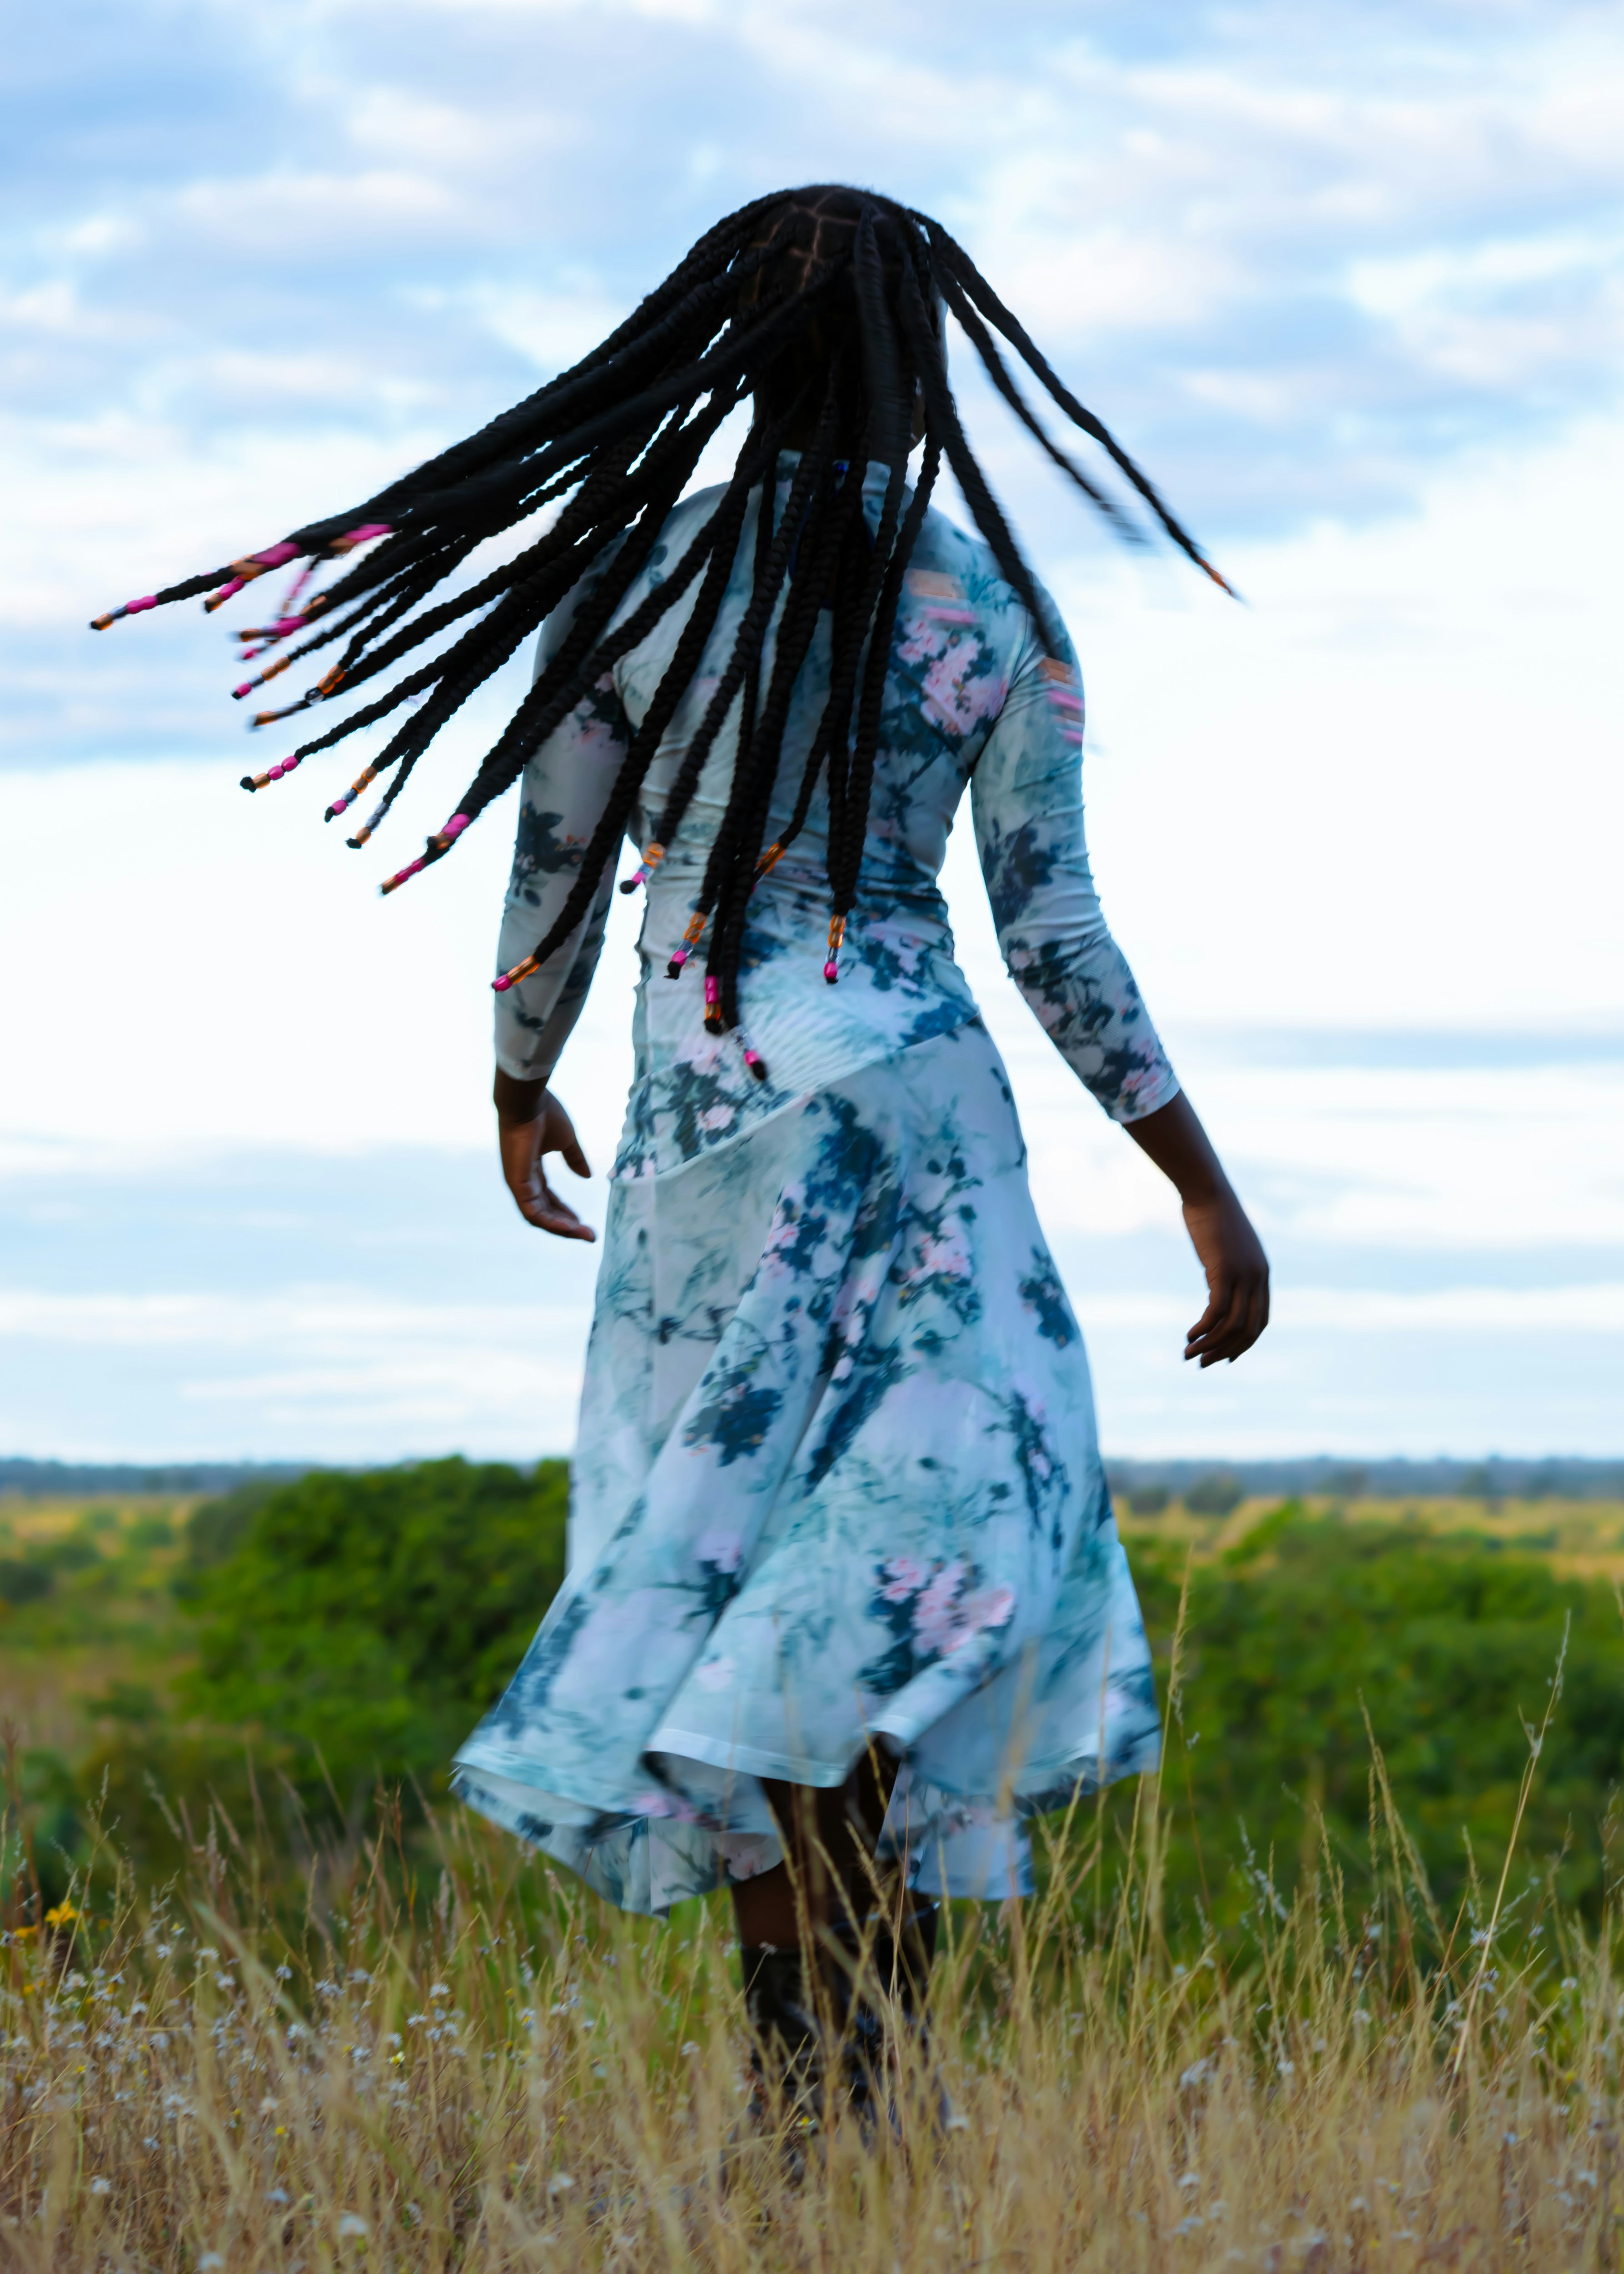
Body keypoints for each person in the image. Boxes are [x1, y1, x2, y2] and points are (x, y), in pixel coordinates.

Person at [91, 184, 1268, 2129]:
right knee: (902, 1597)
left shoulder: (639, 587)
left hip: (716, 1138)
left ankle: (803, 2091)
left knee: (730, 1592)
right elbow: (1054, 930)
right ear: (917, 377)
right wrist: (1197, 1180)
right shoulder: (989, 602)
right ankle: (864, 2087)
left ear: (731, 365)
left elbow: (553, 867)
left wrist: (510, 1073)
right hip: (926, 1123)